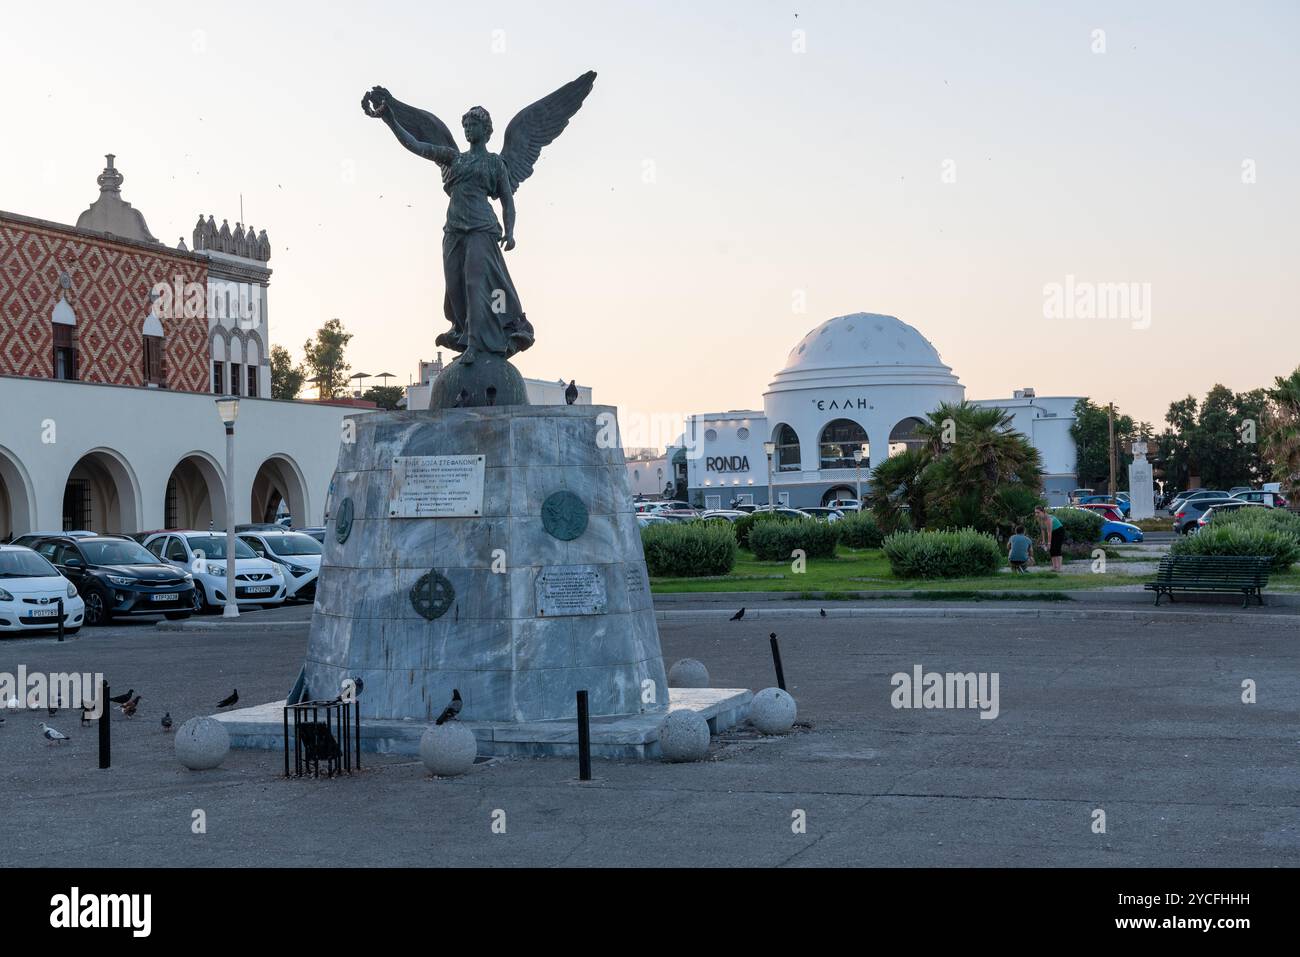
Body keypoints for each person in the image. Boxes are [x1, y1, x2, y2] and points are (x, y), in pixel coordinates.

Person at [1035, 505, 1064, 572]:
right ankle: (1054, 567)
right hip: (1052, 531)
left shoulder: (1048, 519)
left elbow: (1049, 532)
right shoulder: (1039, 518)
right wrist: (1043, 540)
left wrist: (1049, 543)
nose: (1036, 514)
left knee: (1056, 549)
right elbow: (1042, 529)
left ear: (1043, 512)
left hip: (1058, 531)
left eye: (1038, 512)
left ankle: (1059, 568)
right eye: (1035, 512)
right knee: (1051, 550)